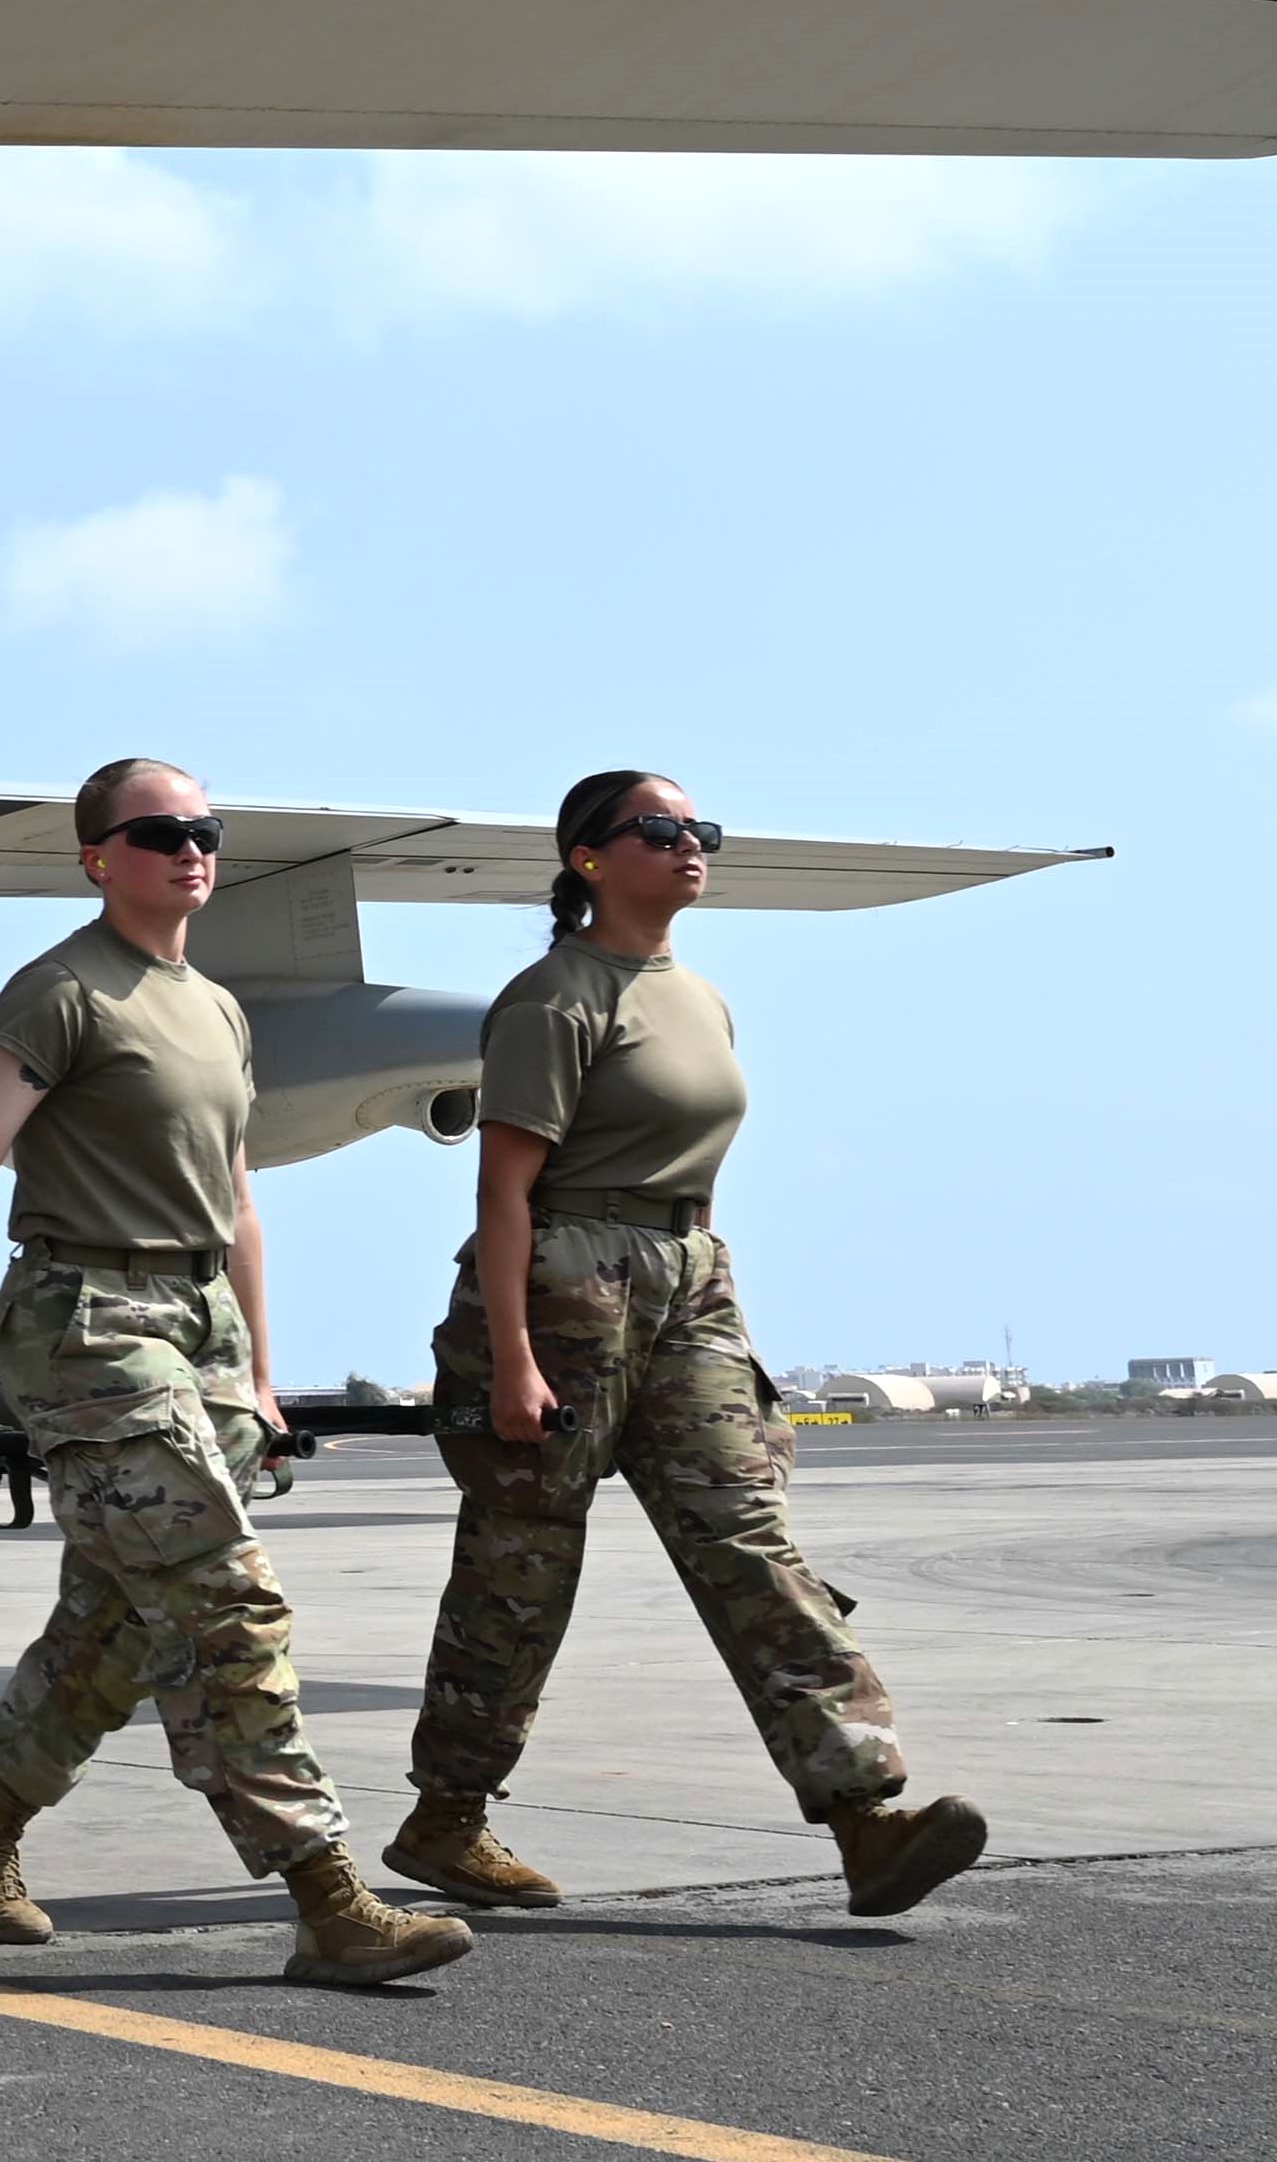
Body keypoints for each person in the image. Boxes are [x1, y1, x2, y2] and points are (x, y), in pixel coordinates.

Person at [0, 759, 472, 1986]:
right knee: (225, 1602)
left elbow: (237, 1197)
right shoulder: (61, 990)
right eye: (160, 830)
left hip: (198, 1322)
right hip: (88, 1321)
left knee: (119, 1613)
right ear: (96, 856)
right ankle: (329, 1898)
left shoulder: (219, 1009)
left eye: (205, 830)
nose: (191, 848)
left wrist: (261, 1367)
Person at [386, 771, 989, 1921]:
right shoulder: (552, 997)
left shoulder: (699, 996)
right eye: (658, 831)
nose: (689, 845)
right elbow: (503, 1188)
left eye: (698, 830)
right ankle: (447, 1816)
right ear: (588, 859)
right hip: (567, 1282)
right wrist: (511, 1355)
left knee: (748, 1538)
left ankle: (867, 1815)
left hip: (687, 1273)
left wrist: (706, 1288)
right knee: (522, 1563)